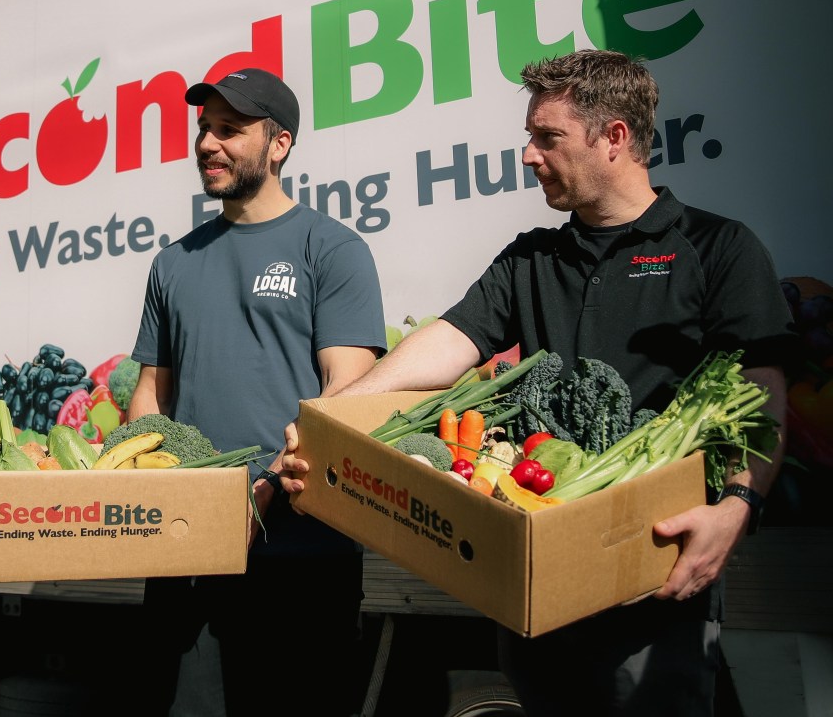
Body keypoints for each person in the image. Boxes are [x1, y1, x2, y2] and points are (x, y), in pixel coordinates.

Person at [281, 49, 795, 717]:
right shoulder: (531, 258)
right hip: (536, 566)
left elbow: (761, 389)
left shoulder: (718, 247)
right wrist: (333, 418)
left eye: (546, 137)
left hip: (654, 565)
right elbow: (444, 346)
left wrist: (736, 507)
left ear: (614, 137)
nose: (528, 154)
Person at [129, 67, 387, 716]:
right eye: (204, 129)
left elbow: (347, 398)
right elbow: (150, 395)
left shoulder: (331, 248)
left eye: (231, 129)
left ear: (280, 143)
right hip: (188, 558)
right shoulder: (173, 262)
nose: (209, 144)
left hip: (302, 557)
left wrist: (262, 495)